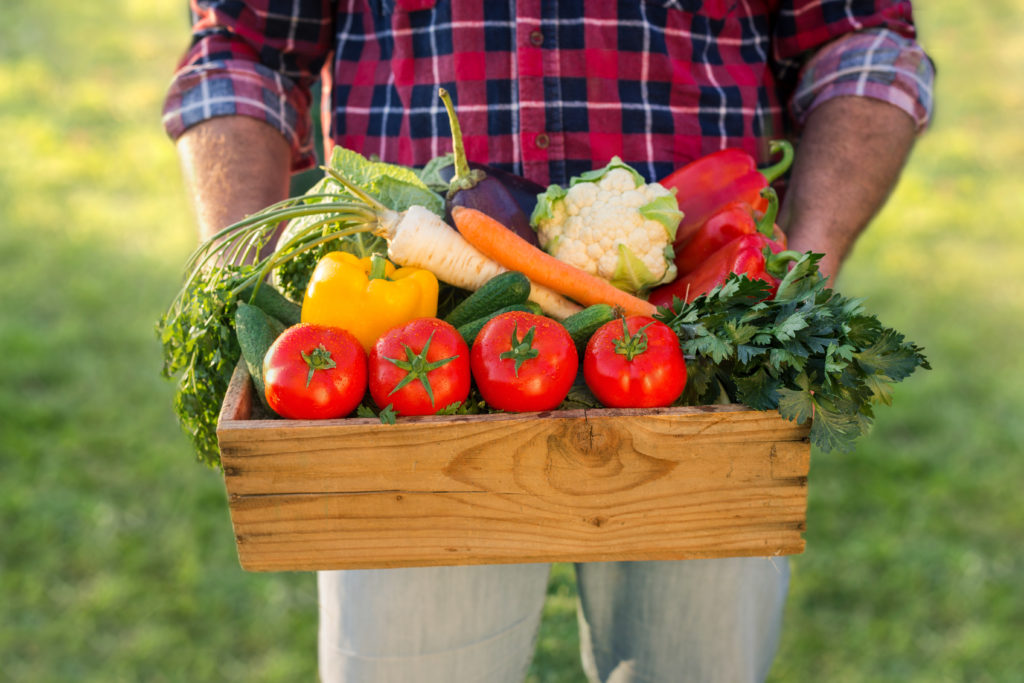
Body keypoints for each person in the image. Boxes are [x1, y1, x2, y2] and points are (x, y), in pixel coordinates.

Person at [164, 2, 934, 681]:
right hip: (409, 363)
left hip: (704, 338)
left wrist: (802, 263)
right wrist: (247, 267)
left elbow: (860, 36)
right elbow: (244, 46)